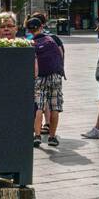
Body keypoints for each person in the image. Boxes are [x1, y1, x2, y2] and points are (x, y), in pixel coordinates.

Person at [27, 15, 65, 148]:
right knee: (55, 107)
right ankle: (52, 137)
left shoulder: (31, 43)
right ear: (41, 26)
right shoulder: (51, 39)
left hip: (40, 78)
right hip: (55, 76)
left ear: (29, 30)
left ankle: (37, 136)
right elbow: (60, 56)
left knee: (39, 107)